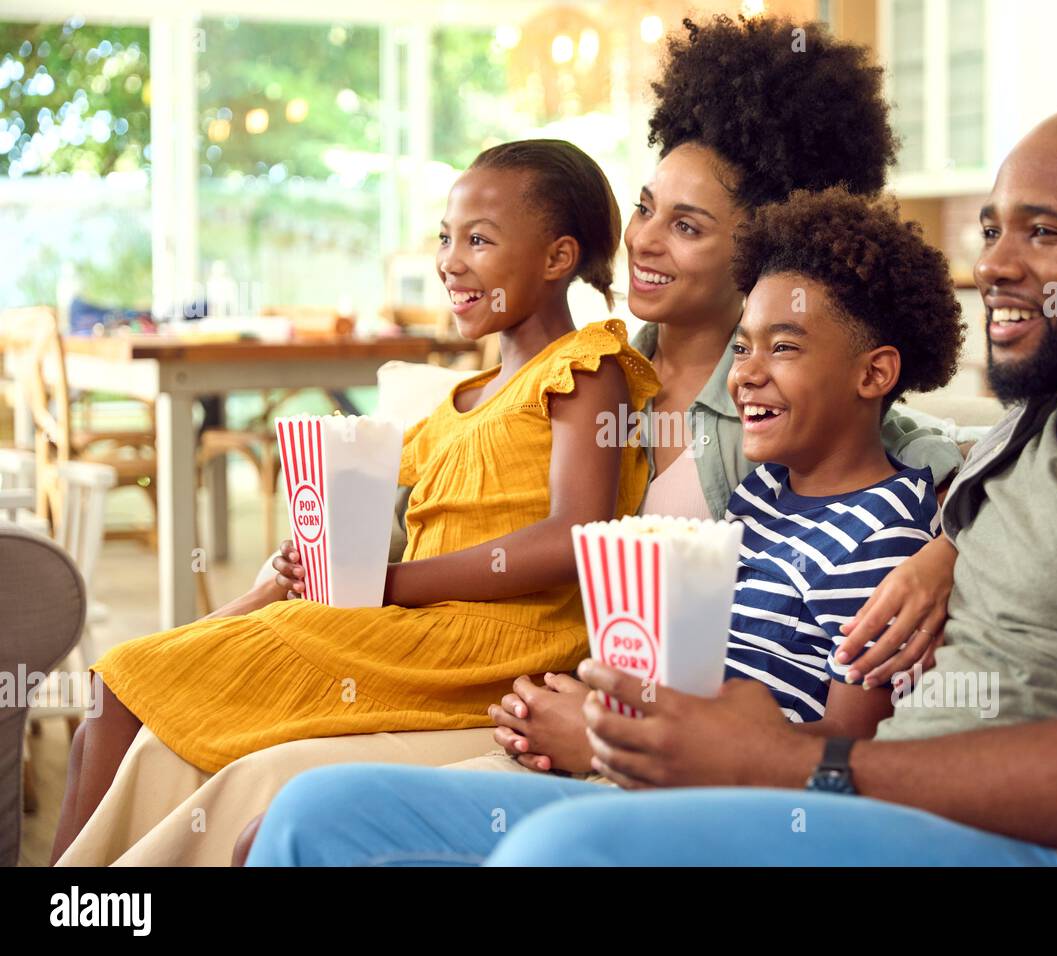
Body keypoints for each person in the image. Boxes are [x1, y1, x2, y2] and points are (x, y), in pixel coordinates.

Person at [254, 104, 1057, 868]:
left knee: (568, 851)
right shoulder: (1022, 436)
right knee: (321, 812)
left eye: (1043, 230)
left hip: (1006, 839)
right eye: (990, 229)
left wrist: (785, 761)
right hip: (858, 794)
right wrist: (949, 548)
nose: (994, 264)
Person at [246, 186, 973, 865]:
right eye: (743, 346)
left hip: (704, 814)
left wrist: (604, 740)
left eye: (783, 346)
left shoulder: (885, 539)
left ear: (874, 375)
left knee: (317, 822)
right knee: (301, 812)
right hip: (636, 773)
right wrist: (590, 707)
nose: (747, 372)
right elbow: (696, 675)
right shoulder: (762, 497)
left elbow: (847, 761)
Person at [49, 138, 659, 864]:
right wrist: (309, 562)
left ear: (558, 258)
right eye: (445, 237)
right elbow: (372, 506)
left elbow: (574, 535)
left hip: (489, 647)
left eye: (480, 240)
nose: (450, 261)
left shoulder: (585, 369)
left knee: (122, 692)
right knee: (114, 690)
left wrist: (391, 584)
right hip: (413, 628)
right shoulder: (461, 401)